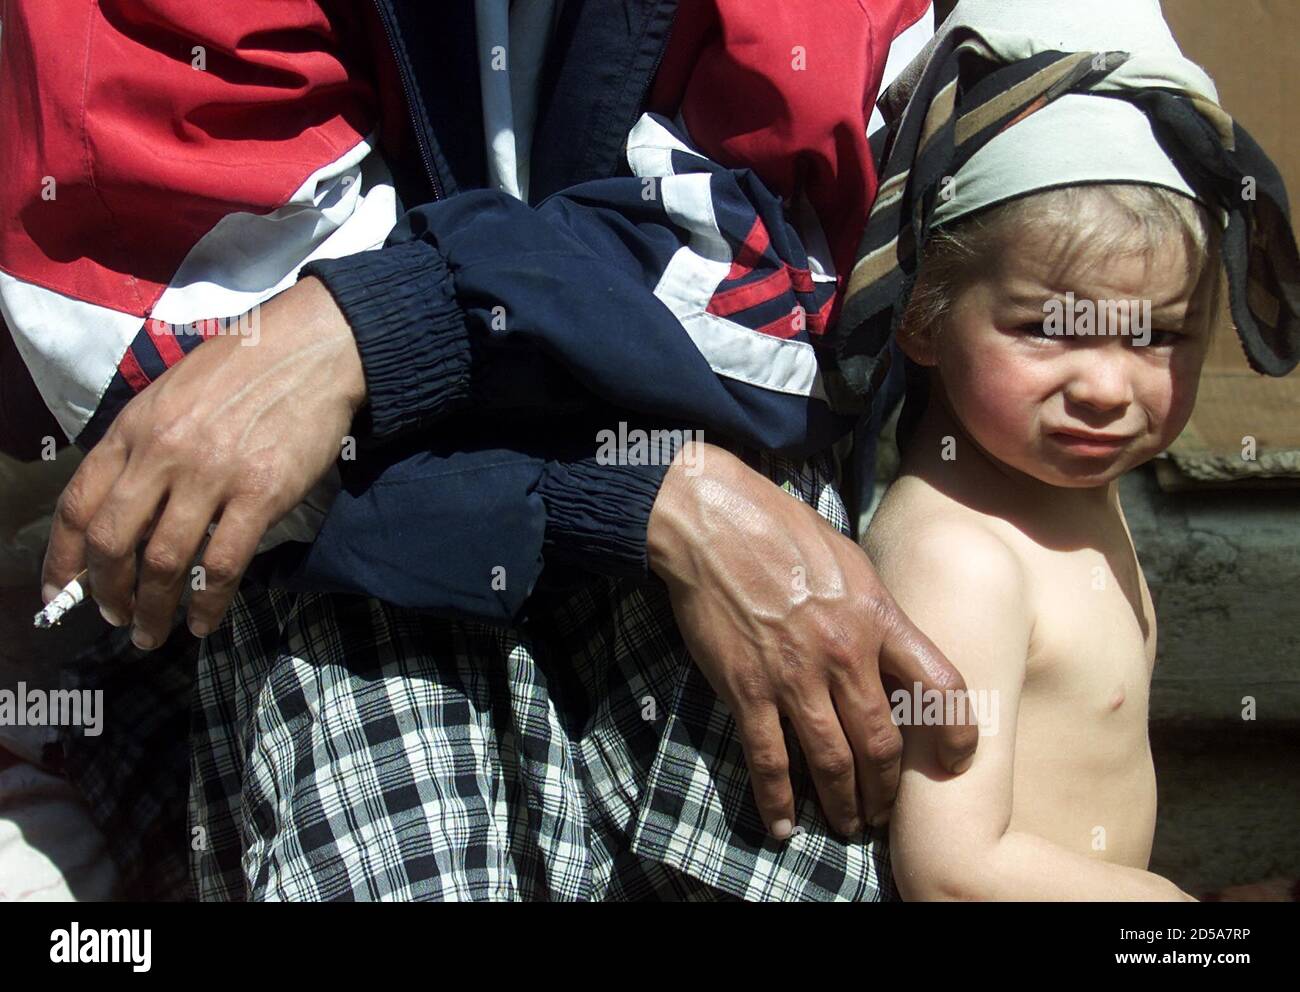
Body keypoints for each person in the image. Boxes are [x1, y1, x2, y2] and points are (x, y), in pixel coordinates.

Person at [4, 1, 971, 900]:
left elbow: (778, 293)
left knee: (788, 784)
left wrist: (372, 327)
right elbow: (198, 411)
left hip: (701, 461)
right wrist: (643, 497)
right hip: (360, 545)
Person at [838, 0, 1300, 900]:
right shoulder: (961, 558)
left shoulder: (1065, 487)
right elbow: (954, 870)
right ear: (925, 314)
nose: (1106, 388)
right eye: (1050, 328)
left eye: (1159, 334)